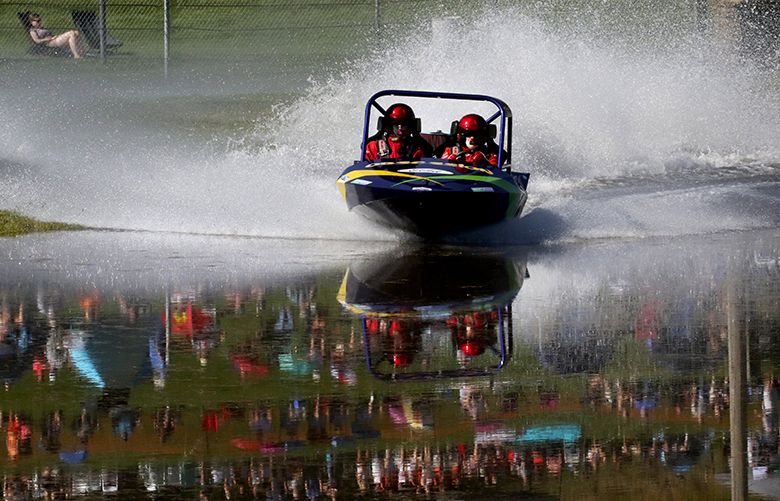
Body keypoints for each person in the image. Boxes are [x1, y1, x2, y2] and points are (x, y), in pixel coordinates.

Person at [364, 103, 432, 161]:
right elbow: (363, 169)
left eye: (404, 124)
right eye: (396, 124)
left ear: (411, 126)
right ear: (388, 126)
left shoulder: (417, 149)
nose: (400, 127)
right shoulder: (374, 147)